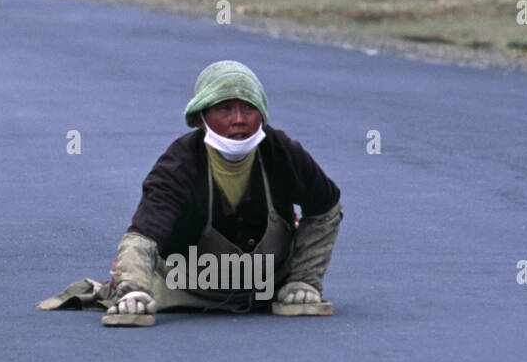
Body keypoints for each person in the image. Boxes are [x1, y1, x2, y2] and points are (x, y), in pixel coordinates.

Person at [38, 61, 343, 326]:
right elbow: (142, 237)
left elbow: (326, 208)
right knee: (138, 292)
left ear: (261, 115)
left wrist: (304, 280)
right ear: (200, 118)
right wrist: (132, 289)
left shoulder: (281, 152)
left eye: (249, 108)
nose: (239, 119)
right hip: (190, 286)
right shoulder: (179, 164)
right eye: (225, 109)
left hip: (268, 282)